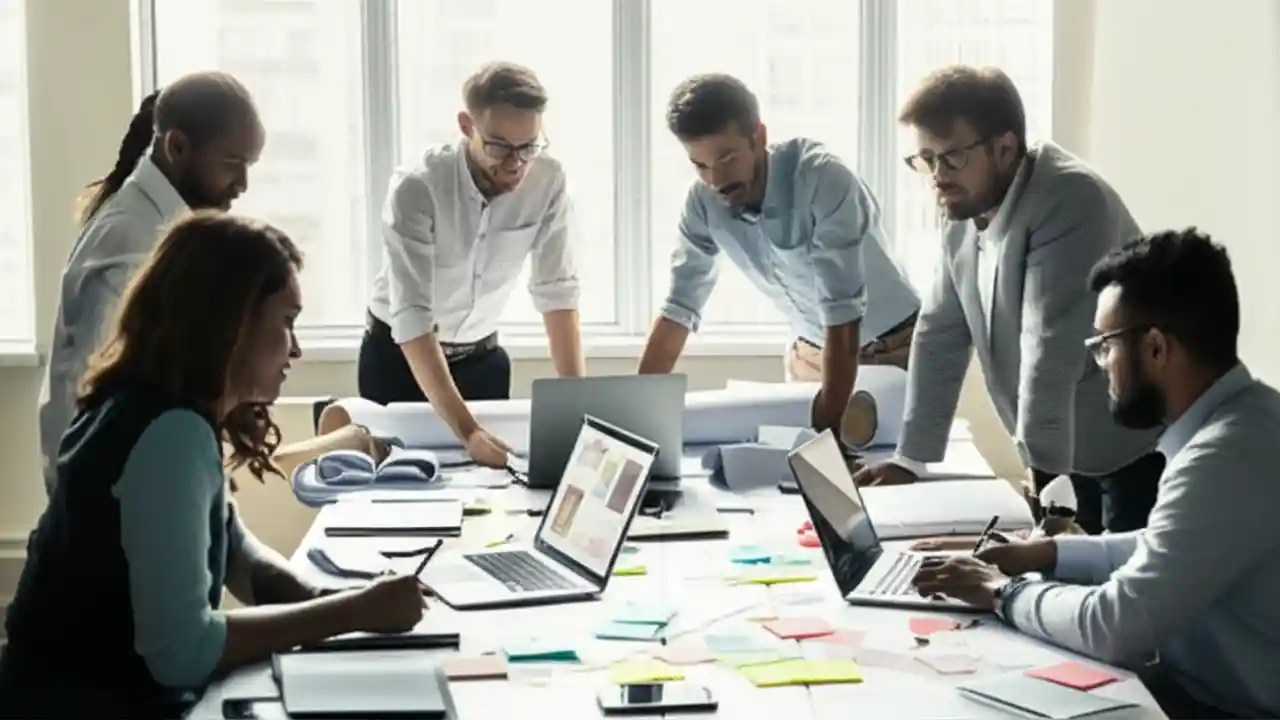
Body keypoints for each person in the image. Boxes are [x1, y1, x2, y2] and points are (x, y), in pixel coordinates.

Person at [0, 214, 426, 719]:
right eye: (286, 321)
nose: (296, 348)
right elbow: (182, 654)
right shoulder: (170, 435)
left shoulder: (146, 407)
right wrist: (350, 612)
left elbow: (235, 553)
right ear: (232, 324)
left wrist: (321, 597)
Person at [912, 229, 1280, 719]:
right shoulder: (1251, 421)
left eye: (1105, 345)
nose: (1099, 364)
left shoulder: (1224, 456)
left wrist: (1001, 591)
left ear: (1155, 349)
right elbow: (1171, 547)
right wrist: (1047, 553)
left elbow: (1116, 626)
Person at [853, 65, 1162, 535]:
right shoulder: (963, 200)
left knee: (1121, 577)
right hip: (1066, 447)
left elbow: (1049, 354)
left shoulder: (1071, 199)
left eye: (951, 157)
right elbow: (940, 332)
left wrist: (1045, 505)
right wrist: (910, 459)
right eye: (925, 160)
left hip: (1133, 447)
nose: (937, 177)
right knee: (1067, 567)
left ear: (1005, 148)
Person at [639, 74, 920, 436]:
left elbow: (842, 311)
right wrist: (634, 419)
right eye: (701, 165)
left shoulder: (822, 178)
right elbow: (679, 309)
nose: (716, 179)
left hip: (893, 350)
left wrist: (828, 432)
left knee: (877, 469)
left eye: (727, 157)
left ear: (759, 137)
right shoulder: (702, 202)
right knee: (789, 468)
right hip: (811, 355)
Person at [38, 71, 264, 497]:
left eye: (248, 166)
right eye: (232, 163)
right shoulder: (135, 240)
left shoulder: (156, 225)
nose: (242, 184)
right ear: (177, 147)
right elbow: (101, 391)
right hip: (113, 491)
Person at [360, 61, 582, 467]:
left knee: (493, 490)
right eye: (500, 146)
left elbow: (557, 293)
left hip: (482, 361)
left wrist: (578, 408)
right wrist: (468, 431)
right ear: (466, 126)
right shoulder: (417, 187)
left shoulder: (548, 180)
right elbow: (412, 317)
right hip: (400, 359)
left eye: (528, 147)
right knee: (397, 489)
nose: (516, 163)